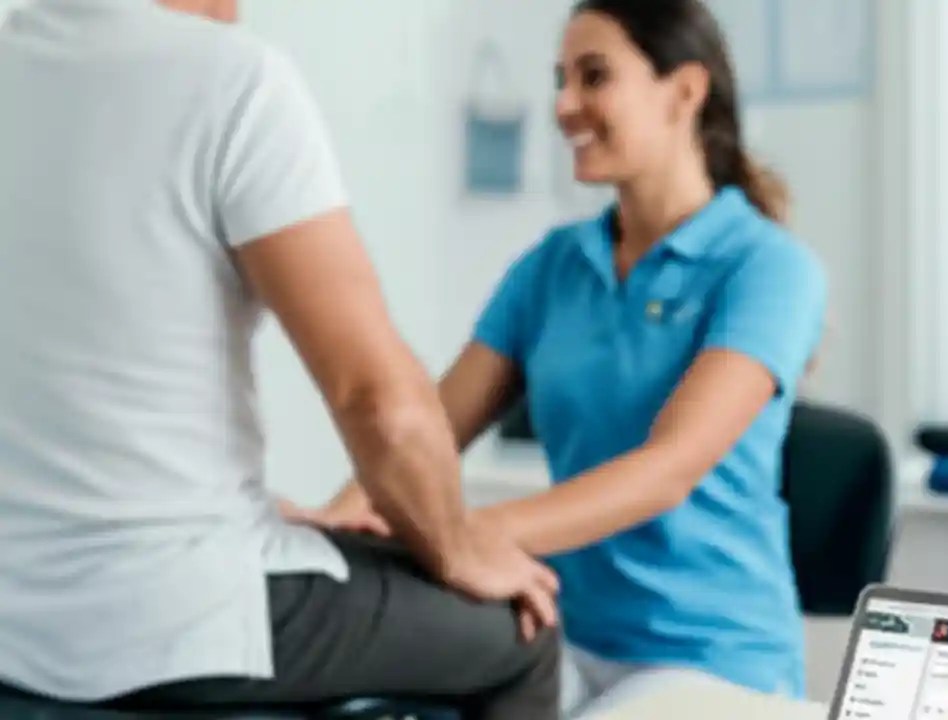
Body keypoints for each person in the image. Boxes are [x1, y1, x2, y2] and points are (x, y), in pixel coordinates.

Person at [0, 1, 560, 718]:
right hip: (173, 619)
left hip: (16, 623)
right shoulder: (231, 78)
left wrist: (256, 510)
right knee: (522, 635)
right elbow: (378, 404)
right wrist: (458, 549)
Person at [306, 0, 828, 715]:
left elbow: (666, 471)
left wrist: (457, 534)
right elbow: (424, 433)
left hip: (713, 660)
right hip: (562, 639)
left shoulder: (767, 268)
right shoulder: (553, 267)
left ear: (684, 91)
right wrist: (335, 526)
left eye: (594, 76)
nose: (563, 105)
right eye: (561, 79)